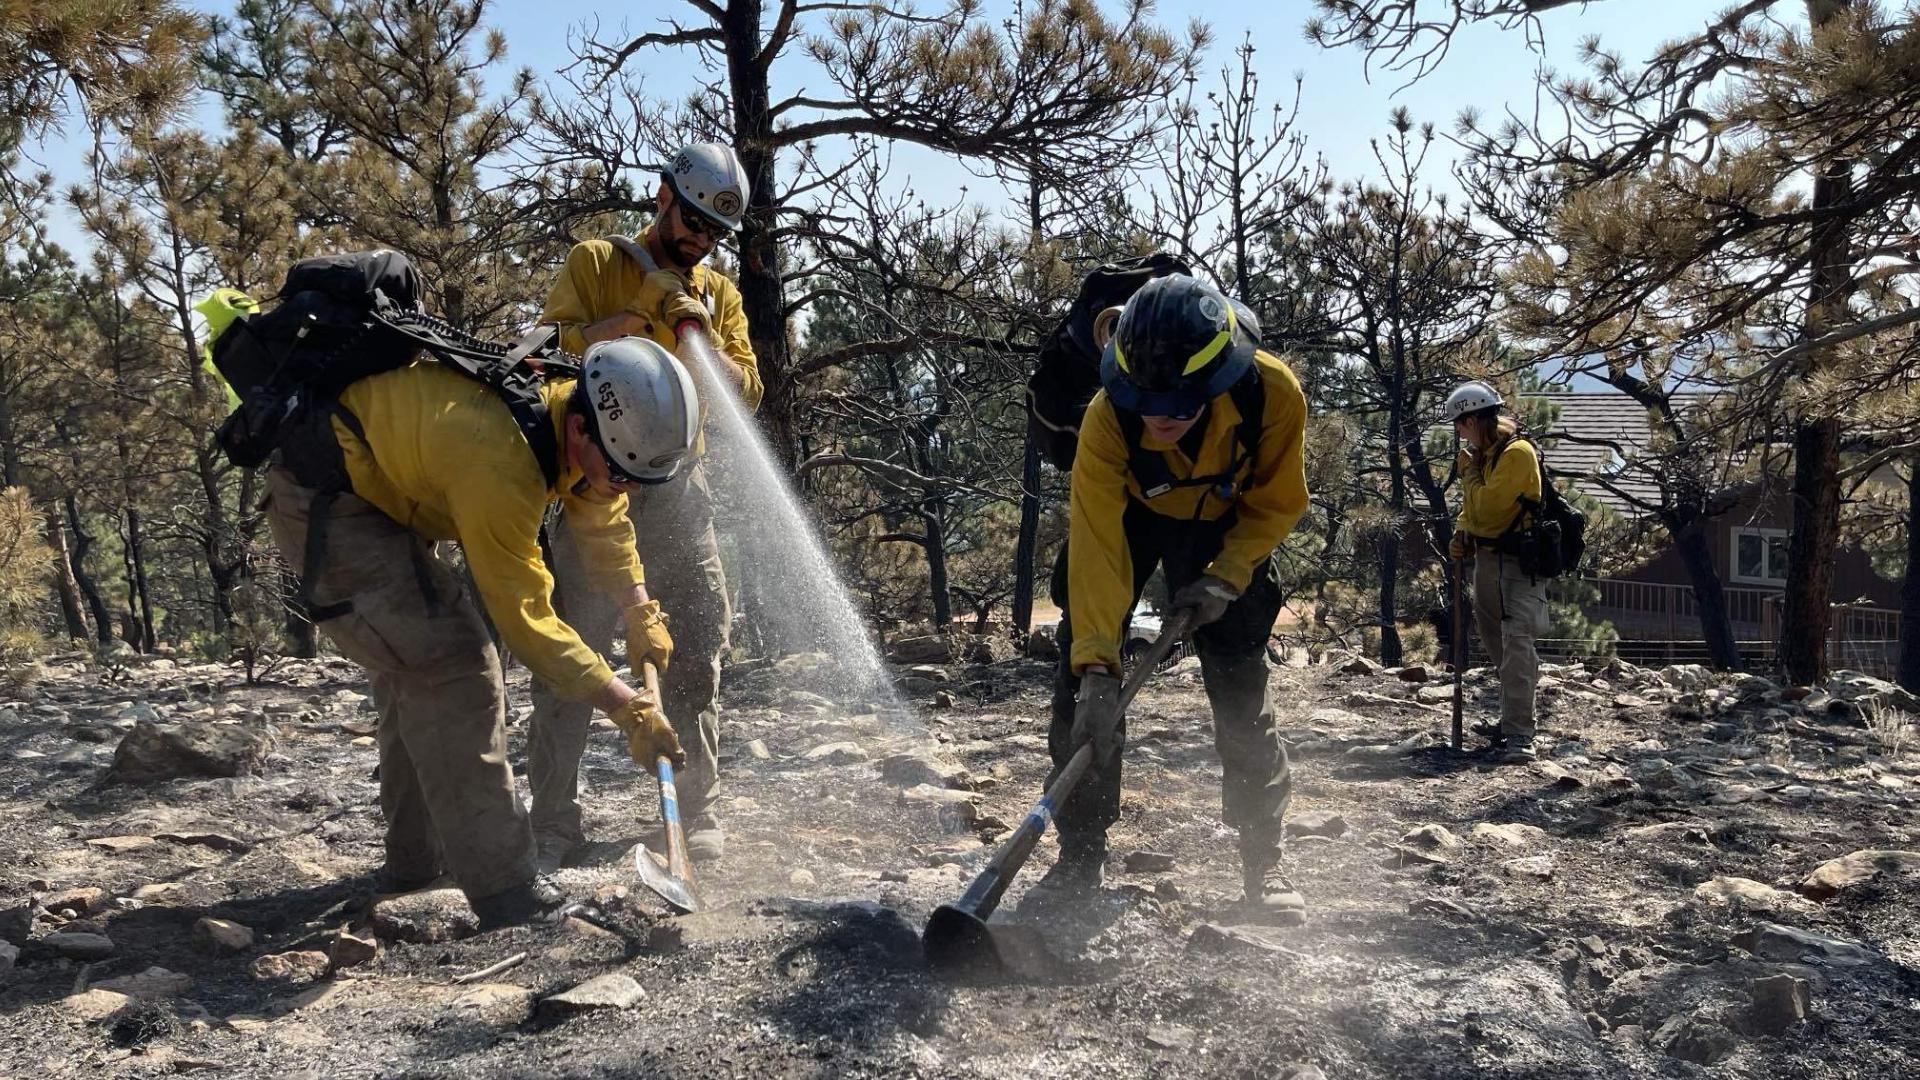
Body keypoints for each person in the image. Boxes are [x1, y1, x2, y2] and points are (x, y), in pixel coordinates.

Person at [252, 333, 698, 927]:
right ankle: (506, 889)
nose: (630, 488)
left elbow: (601, 511)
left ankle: (415, 866)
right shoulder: (499, 460)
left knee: (417, 665)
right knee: (453, 665)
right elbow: (527, 620)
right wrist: (626, 707)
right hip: (327, 500)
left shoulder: (574, 416)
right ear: (581, 429)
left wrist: (639, 608)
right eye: (623, 473)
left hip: (385, 490)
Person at [1037, 273, 1311, 917]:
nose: (1158, 417)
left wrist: (1229, 573)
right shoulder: (1108, 418)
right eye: (1146, 403)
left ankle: (1262, 861)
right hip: (1134, 517)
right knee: (1081, 685)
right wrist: (1097, 666)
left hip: (1226, 522)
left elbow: (1276, 501)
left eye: (1179, 406)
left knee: (1240, 685)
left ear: (1217, 379)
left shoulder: (1272, 393)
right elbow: (1097, 545)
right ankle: (1079, 855)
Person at [529, 141, 760, 869]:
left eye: (715, 231)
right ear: (663, 198)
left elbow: (747, 393)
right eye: (693, 220)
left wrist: (699, 339)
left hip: (680, 495)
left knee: (697, 646)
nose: (701, 239)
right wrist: (633, 317)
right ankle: (553, 823)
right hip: (593, 484)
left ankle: (697, 808)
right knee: (573, 653)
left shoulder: (719, 295)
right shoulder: (597, 263)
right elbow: (542, 352)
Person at [1445, 380, 1546, 763]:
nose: (1459, 433)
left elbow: (1488, 511)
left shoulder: (1517, 454)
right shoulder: (1486, 456)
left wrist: (1470, 475)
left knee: (1516, 645)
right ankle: (1510, 721)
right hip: (1488, 562)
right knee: (1498, 646)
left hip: (1518, 565)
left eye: (1459, 425)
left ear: (1471, 420)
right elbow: (1472, 511)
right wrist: (1462, 532)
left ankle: (1520, 735)